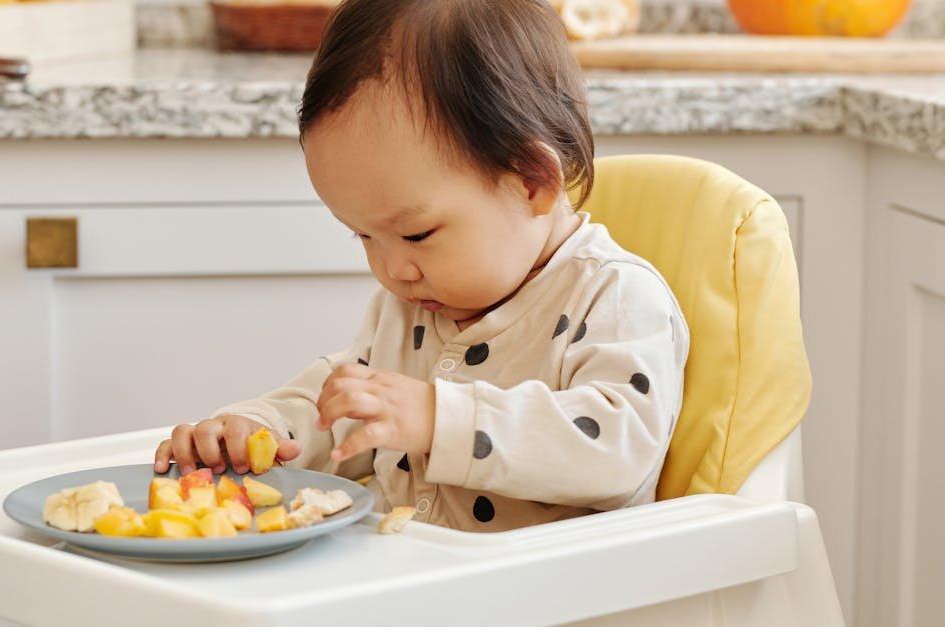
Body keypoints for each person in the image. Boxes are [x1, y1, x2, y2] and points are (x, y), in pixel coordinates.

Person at [154, 0, 689, 531]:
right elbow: (342, 408)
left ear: (532, 182)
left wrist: (441, 420)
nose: (393, 270)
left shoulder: (614, 295)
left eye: (416, 234)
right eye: (363, 234)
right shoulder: (409, 306)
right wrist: (257, 431)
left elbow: (619, 450)